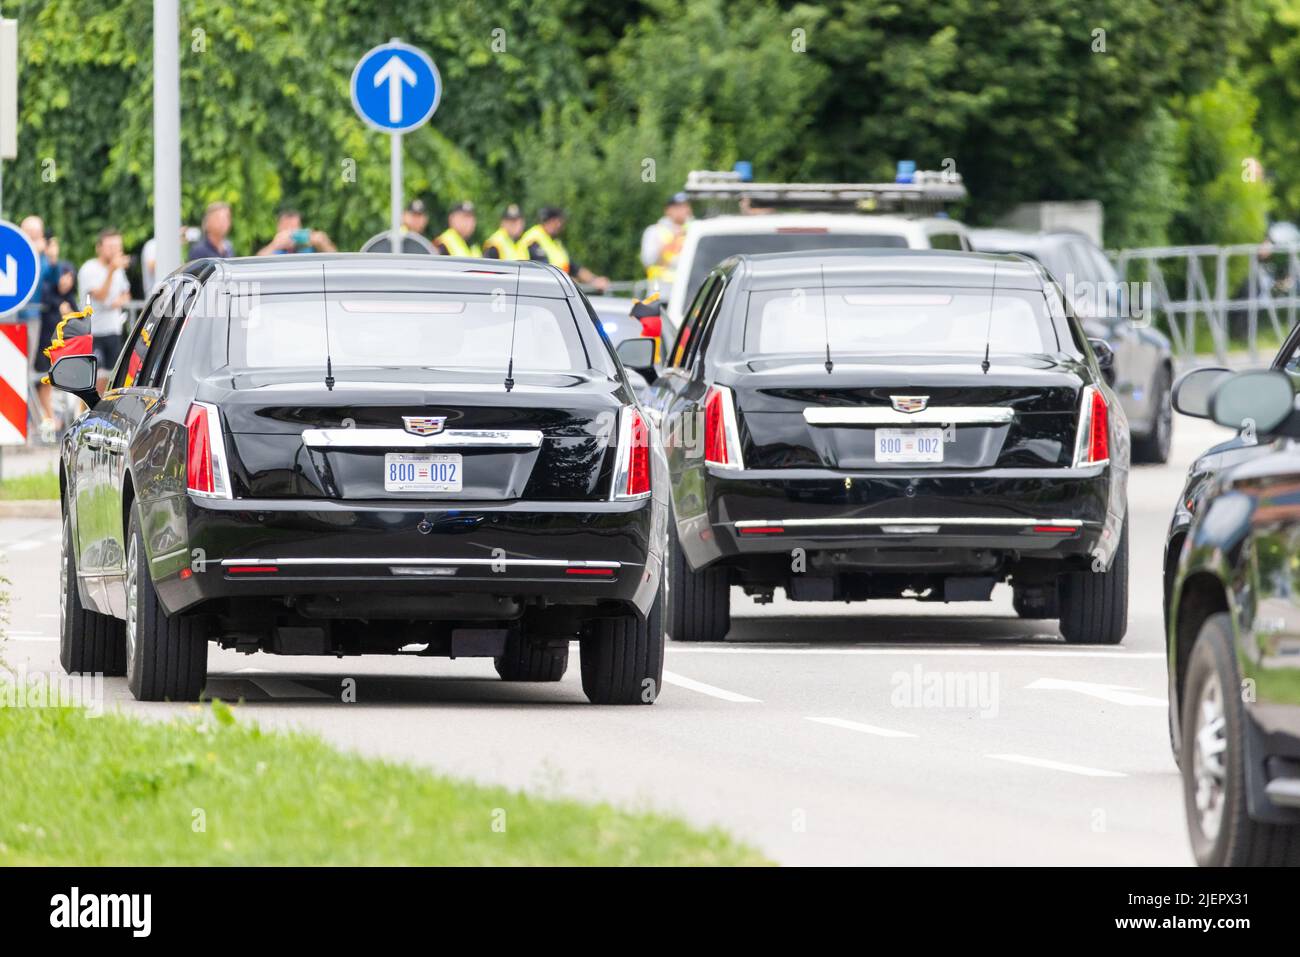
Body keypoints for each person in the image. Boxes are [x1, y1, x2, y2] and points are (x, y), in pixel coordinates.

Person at [77, 227, 133, 392]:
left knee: (113, 376)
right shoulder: (90, 269)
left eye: (118, 247)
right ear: (99, 247)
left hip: (113, 329)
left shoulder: (118, 270)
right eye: (110, 247)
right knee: (96, 378)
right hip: (94, 331)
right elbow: (100, 295)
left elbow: (126, 293)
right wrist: (110, 271)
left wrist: (118, 301)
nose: (115, 251)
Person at [34, 256, 78, 438]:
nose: (66, 280)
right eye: (63, 275)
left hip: (64, 349)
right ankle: (49, 422)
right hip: (45, 347)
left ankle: (59, 422)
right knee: (44, 383)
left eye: (69, 276)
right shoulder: (47, 295)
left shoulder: (71, 300)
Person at [520, 207, 609, 291]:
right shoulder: (534, 238)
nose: (561, 226)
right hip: (538, 292)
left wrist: (594, 280)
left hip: (555, 291)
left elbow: (573, 267)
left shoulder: (554, 241)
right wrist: (574, 284)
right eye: (559, 221)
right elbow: (546, 271)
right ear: (552, 221)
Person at [640, 192, 692, 285]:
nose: (683, 210)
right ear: (668, 210)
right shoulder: (654, 231)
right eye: (678, 207)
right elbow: (648, 260)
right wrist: (672, 242)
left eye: (685, 206)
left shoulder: (694, 231)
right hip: (661, 290)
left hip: (687, 288)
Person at [256, 209, 336, 255]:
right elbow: (257, 262)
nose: (291, 232)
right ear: (278, 229)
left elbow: (334, 257)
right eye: (286, 228)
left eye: (294, 227)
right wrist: (274, 246)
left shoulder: (308, 247)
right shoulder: (275, 250)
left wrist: (322, 242)